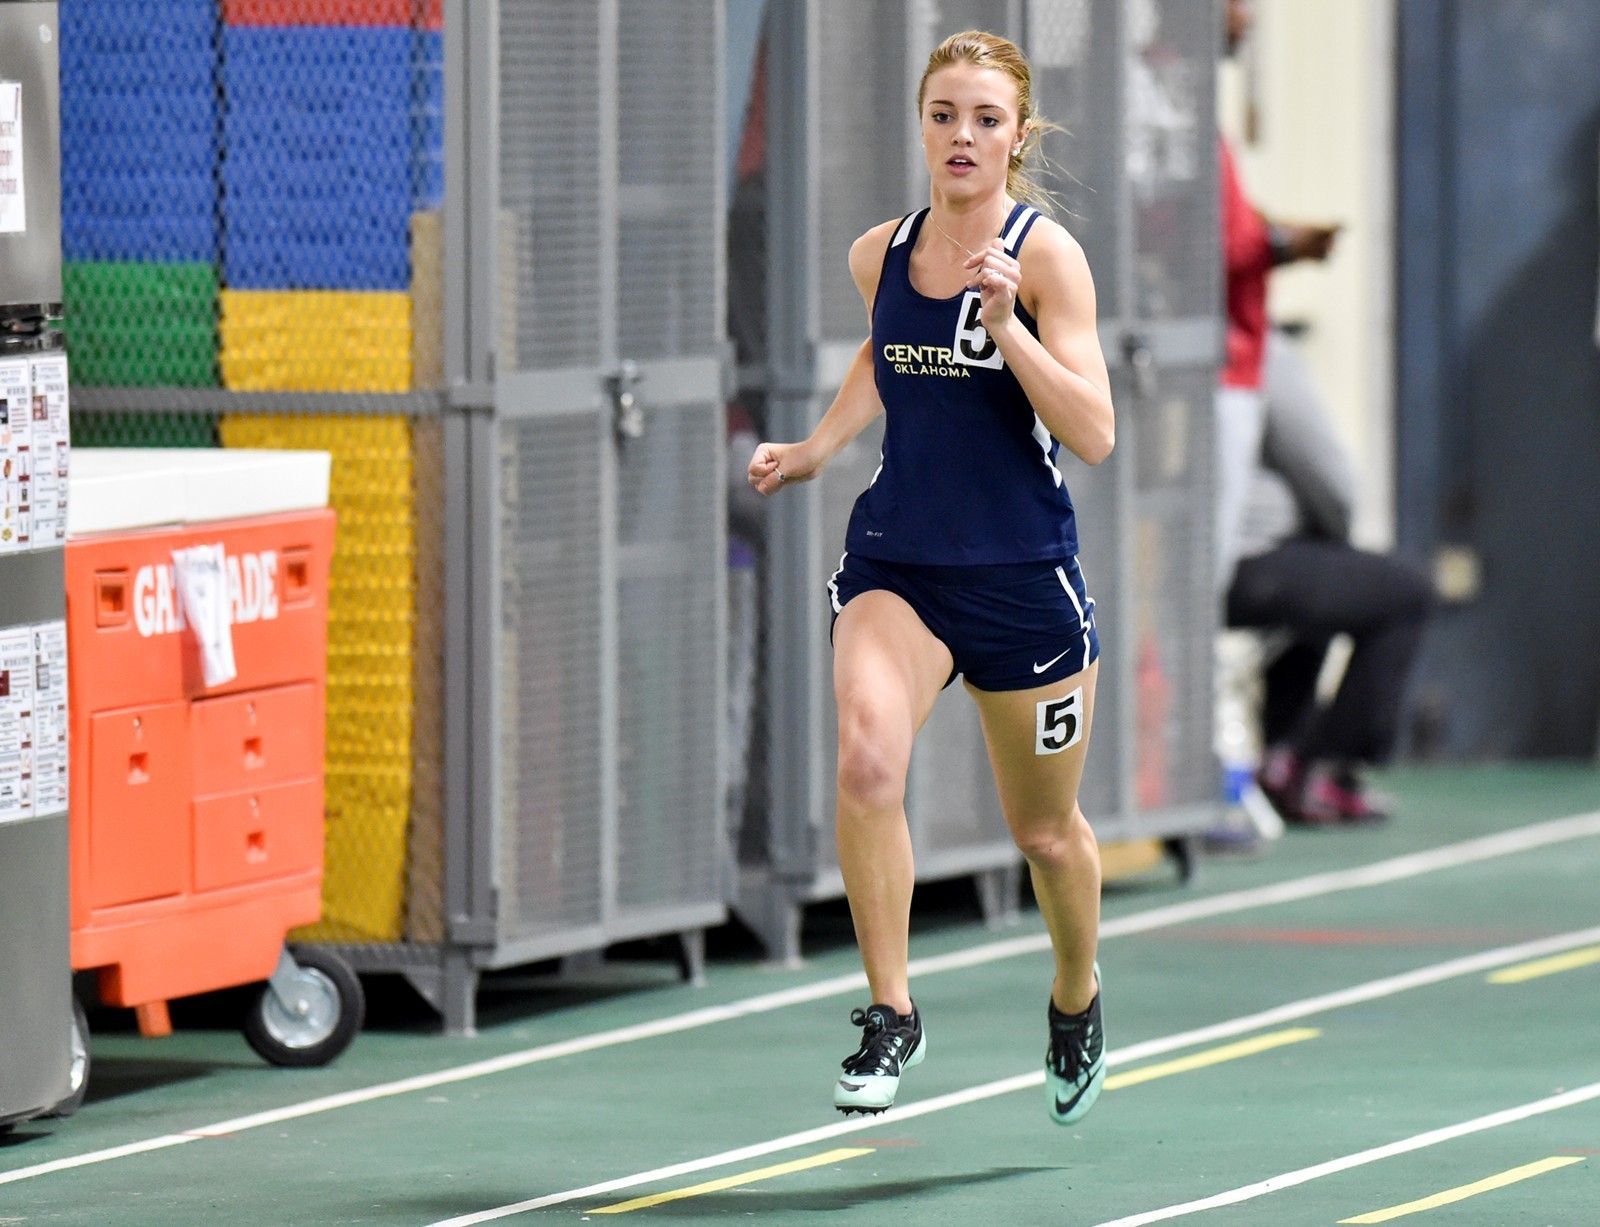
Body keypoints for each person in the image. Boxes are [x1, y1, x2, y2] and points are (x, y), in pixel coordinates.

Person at [748, 30, 1115, 1125]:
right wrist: (818, 447)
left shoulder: (1044, 258)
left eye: (986, 119)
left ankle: (1075, 993)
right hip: (899, 563)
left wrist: (1008, 328)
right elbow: (883, 350)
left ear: (1017, 136)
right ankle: (891, 1010)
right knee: (867, 762)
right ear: (920, 123)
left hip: (1021, 580)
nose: (962, 136)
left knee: (1044, 833)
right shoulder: (880, 252)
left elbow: (1093, 431)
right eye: (944, 114)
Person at [1229, 329, 1434, 824]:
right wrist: (1337, 537)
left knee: (1325, 584)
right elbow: (1329, 476)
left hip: (1186, 569)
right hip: (1248, 563)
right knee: (1408, 591)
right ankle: (1328, 765)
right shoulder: (1261, 349)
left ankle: (1283, 754)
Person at [1216, 0, 1342, 590]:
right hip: (1212, 368)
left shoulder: (1193, 112)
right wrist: (1286, 245)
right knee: (1199, 579)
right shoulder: (1165, 103)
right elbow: (1210, 244)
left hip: (1229, 360)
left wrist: (1274, 239)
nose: (1251, 16)